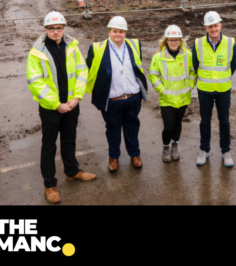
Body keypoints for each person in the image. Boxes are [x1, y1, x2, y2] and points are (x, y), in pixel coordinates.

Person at [26, 12, 96, 204]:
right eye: (51, 28)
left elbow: (82, 71)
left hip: (71, 103)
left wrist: (76, 97)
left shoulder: (72, 46)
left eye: (58, 28)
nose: (55, 32)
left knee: (69, 139)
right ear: (45, 29)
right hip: (51, 108)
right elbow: (36, 82)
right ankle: (50, 184)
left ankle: (72, 171)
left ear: (64, 28)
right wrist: (56, 105)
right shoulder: (37, 52)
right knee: (49, 146)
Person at [86, 16, 148, 172]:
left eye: (121, 31)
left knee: (132, 127)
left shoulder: (135, 45)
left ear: (125, 32)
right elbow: (88, 71)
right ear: (109, 31)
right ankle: (113, 157)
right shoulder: (96, 48)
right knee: (112, 129)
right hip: (111, 99)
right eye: (115, 31)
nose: (118, 35)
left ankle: (135, 154)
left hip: (133, 97)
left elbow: (136, 68)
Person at [192, 11, 236, 167]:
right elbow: (195, 65)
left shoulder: (230, 42)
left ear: (221, 25)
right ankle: (204, 150)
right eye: (210, 26)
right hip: (204, 90)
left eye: (216, 26)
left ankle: (226, 152)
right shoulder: (198, 44)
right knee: (205, 122)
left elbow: (234, 64)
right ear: (206, 27)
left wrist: (222, 77)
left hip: (223, 90)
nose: (213, 29)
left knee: (224, 121)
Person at [148, 25, 195, 162]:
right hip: (166, 98)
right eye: (171, 40)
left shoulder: (188, 55)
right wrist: (161, 89)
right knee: (168, 126)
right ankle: (166, 147)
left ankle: (175, 146)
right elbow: (153, 75)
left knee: (178, 123)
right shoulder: (158, 57)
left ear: (181, 41)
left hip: (183, 97)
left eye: (176, 40)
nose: (173, 42)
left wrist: (191, 84)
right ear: (166, 41)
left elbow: (193, 72)